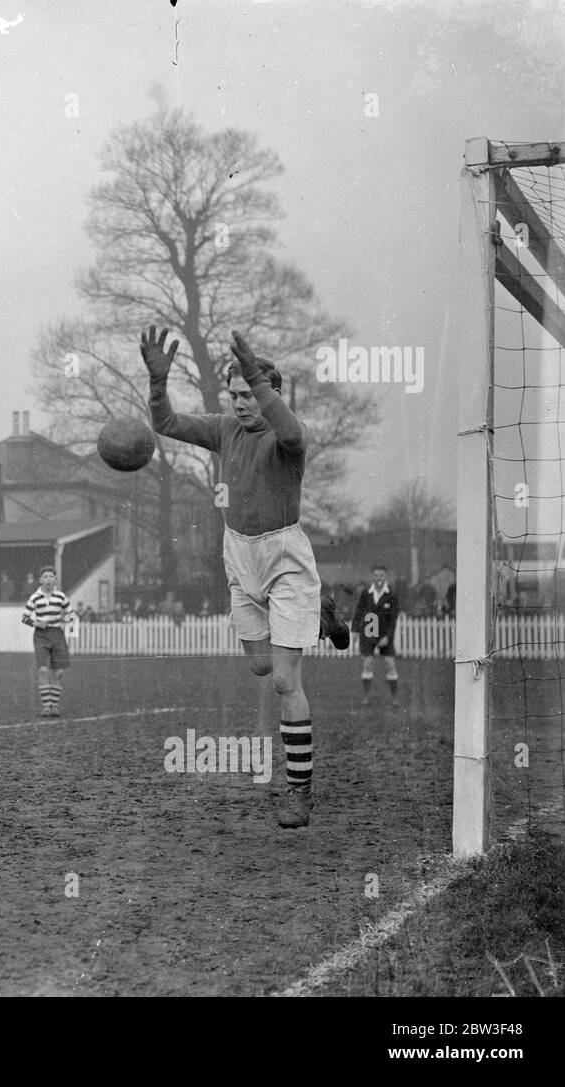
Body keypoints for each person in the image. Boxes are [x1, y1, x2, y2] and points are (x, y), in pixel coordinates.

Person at [141, 325, 349, 829]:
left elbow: (295, 433)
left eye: (248, 393)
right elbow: (166, 422)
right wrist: (156, 382)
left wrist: (258, 377)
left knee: (283, 679)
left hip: (284, 558)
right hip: (239, 555)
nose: (239, 403)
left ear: (269, 394)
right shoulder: (223, 429)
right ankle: (320, 617)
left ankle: (299, 793)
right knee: (259, 665)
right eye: (233, 394)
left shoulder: (285, 439)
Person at [22, 566, 75, 717]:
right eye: (45, 577)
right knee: (43, 670)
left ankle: (54, 706)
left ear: (55, 579)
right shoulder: (35, 598)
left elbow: (71, 615)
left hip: (57, 635)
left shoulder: (61, 597)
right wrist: (36, 623)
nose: (48, 580)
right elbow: (24, 617)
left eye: (51, 577)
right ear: (40, 580)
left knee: (58, 672)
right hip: (41, 636)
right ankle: (46, 706)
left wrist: (70, 634)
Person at [352, 565, 399, 706]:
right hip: (368, 633)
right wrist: (354, 630)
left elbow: (393, 619)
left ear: (385, 576)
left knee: (390, 664)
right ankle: (366, 696)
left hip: (384, 634)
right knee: (368, 664)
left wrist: (388, 637)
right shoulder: (366, 593)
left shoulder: (391, 594)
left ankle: (394, 697)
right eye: (376, 575)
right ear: (373, 576)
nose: (379, 578)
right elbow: (359, 612)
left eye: (381, 575)